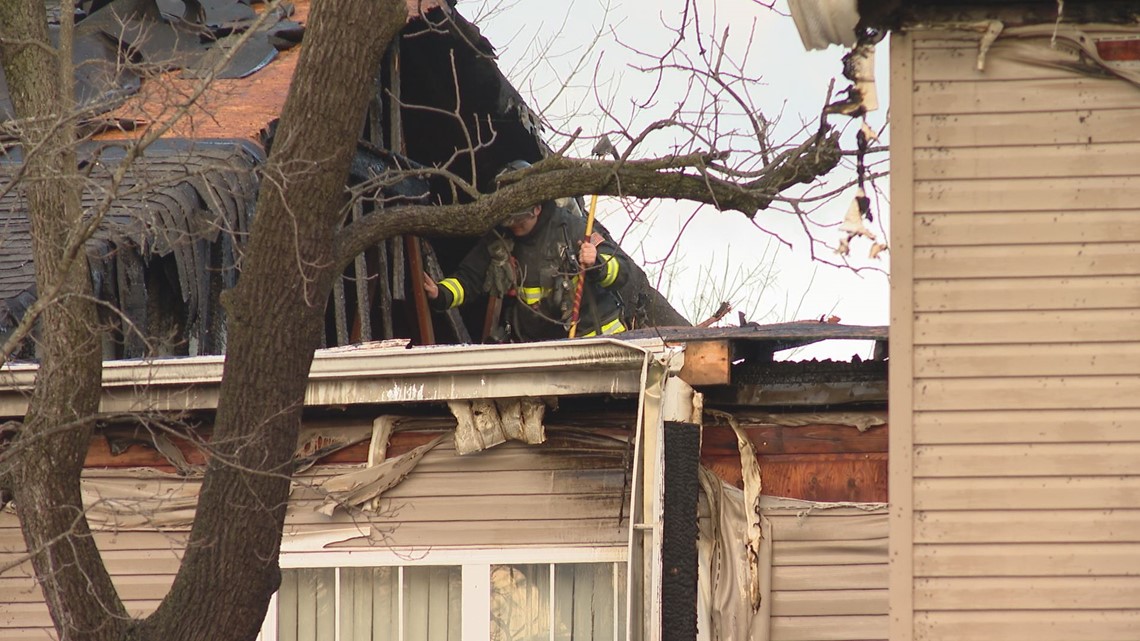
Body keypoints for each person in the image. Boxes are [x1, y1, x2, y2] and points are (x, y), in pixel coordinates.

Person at [422, 169, 631, 342]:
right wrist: (441, 294)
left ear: (537, 208)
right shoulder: (501, 241)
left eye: (519, 220)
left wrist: (598, 263)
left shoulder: (573, 229)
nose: (514, 226)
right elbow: (470, 279)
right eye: (508, 220)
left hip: (597, 340)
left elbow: (622, 269)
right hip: (541, 349)